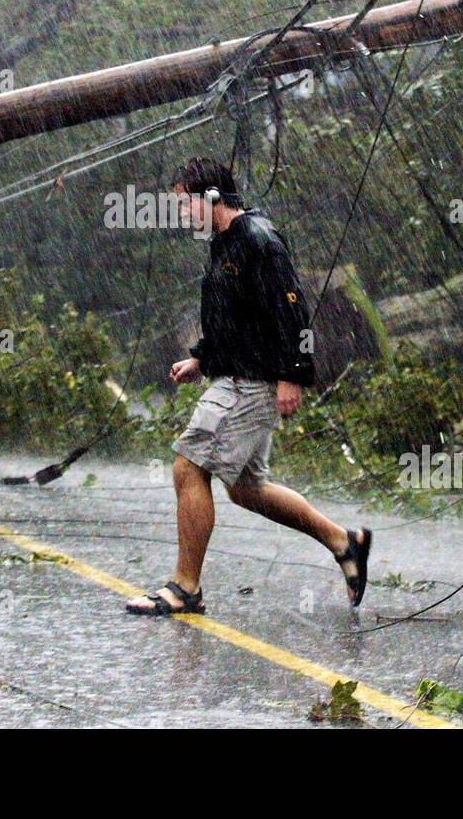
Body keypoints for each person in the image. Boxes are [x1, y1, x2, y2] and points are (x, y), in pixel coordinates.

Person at [126, 156, 371, 617]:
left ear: (213, 198)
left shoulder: (260, 241)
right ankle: (345, 542)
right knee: (246, 488)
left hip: (253, 381)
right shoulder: (221, 243)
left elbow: (292, 312)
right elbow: (232, 315)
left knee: (188, 466)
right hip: (232, 373)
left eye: (186, 205)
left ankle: (185, 588)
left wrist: (292, 375)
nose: (182, 215)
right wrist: (202, 356)